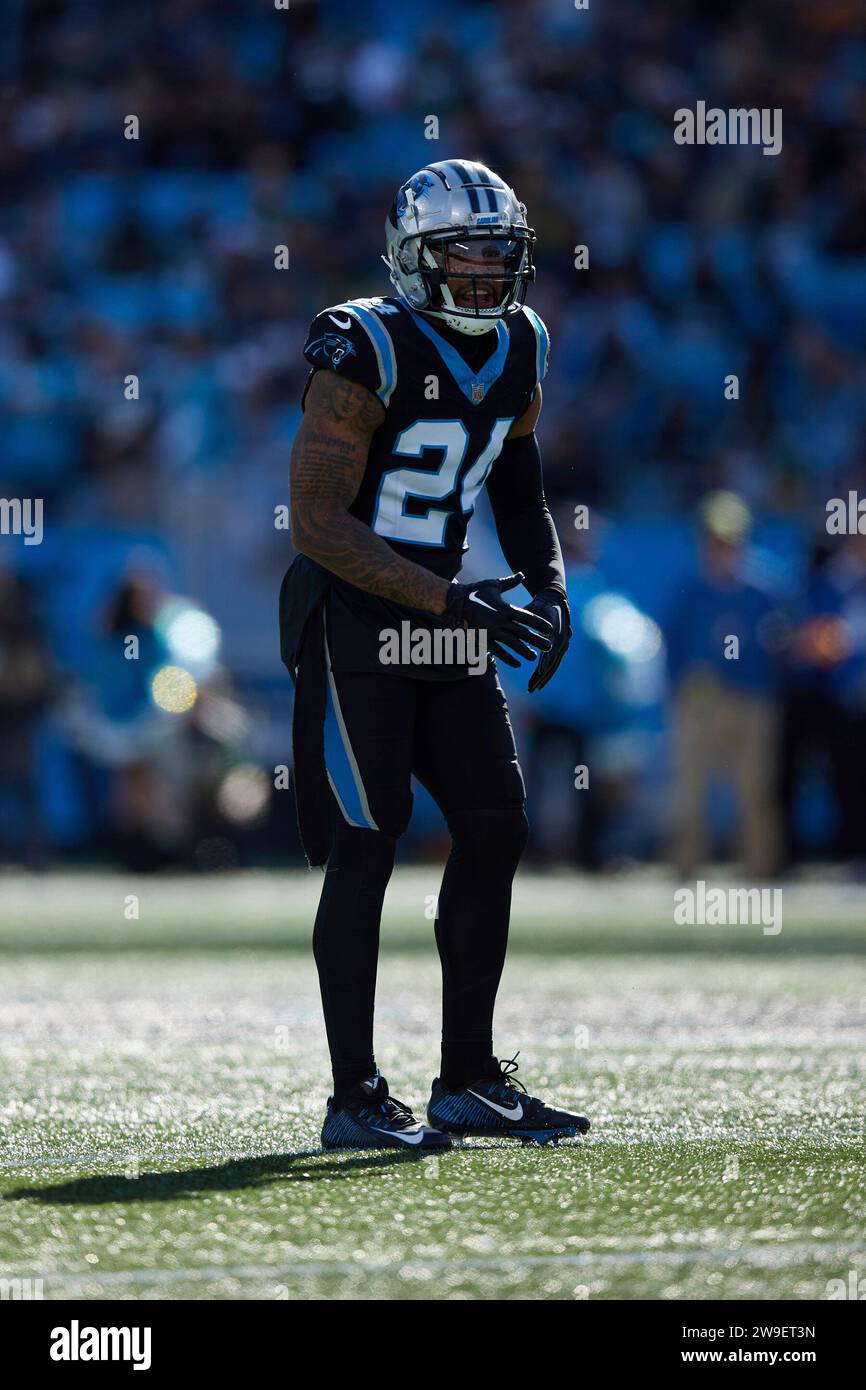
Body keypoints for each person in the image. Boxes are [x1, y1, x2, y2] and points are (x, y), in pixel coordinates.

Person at [281, 160, 590, 1150]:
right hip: (358, 621)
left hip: (448, 617)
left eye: (498, 256)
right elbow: (319, 523)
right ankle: (353, 1095)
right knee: (368, 847)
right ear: (414, 257)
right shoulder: (364, 343)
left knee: (494, 826)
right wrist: (455, 600)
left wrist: (543, 581)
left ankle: (466, 1077)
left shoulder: (520, 345)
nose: (481, 275)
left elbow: (515, 472)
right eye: (461, 254)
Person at [666, 492, 783, 879]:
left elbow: (781, 649)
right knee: (689, 792)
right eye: (715, 539)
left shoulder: (766, 591)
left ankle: (760, 875)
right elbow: (675, 650)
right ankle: (685, 874)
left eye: (731, 540)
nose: (722, 548)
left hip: (752, 701)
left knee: (756, 791)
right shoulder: (690, 592)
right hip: (700, 703)